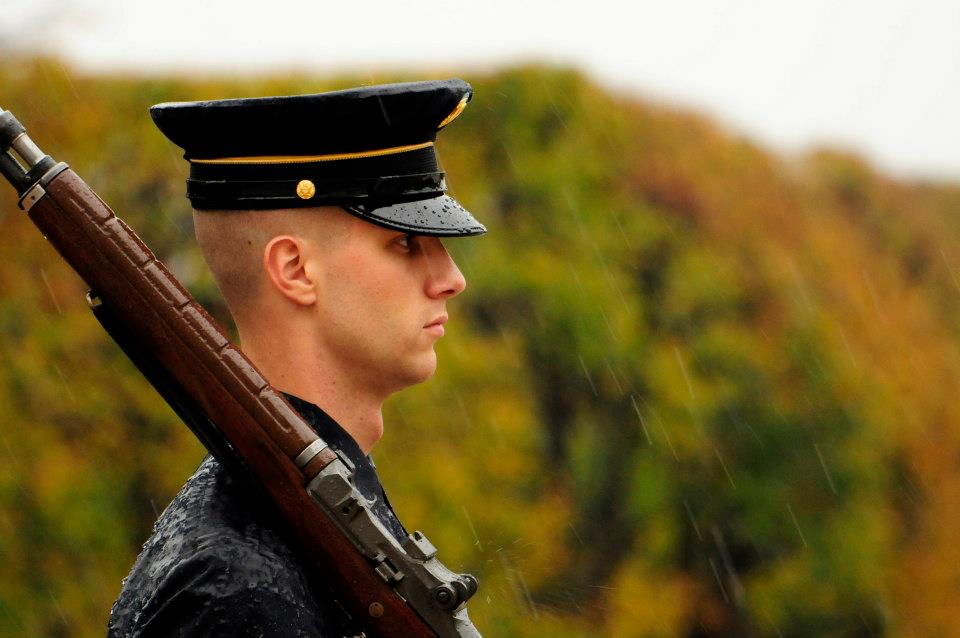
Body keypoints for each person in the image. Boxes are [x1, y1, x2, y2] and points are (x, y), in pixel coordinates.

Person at [107, 79, 486, 637]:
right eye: (405, 241)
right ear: (295, 270)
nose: (452, 279)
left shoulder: (300, 532)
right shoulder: (238, 590)